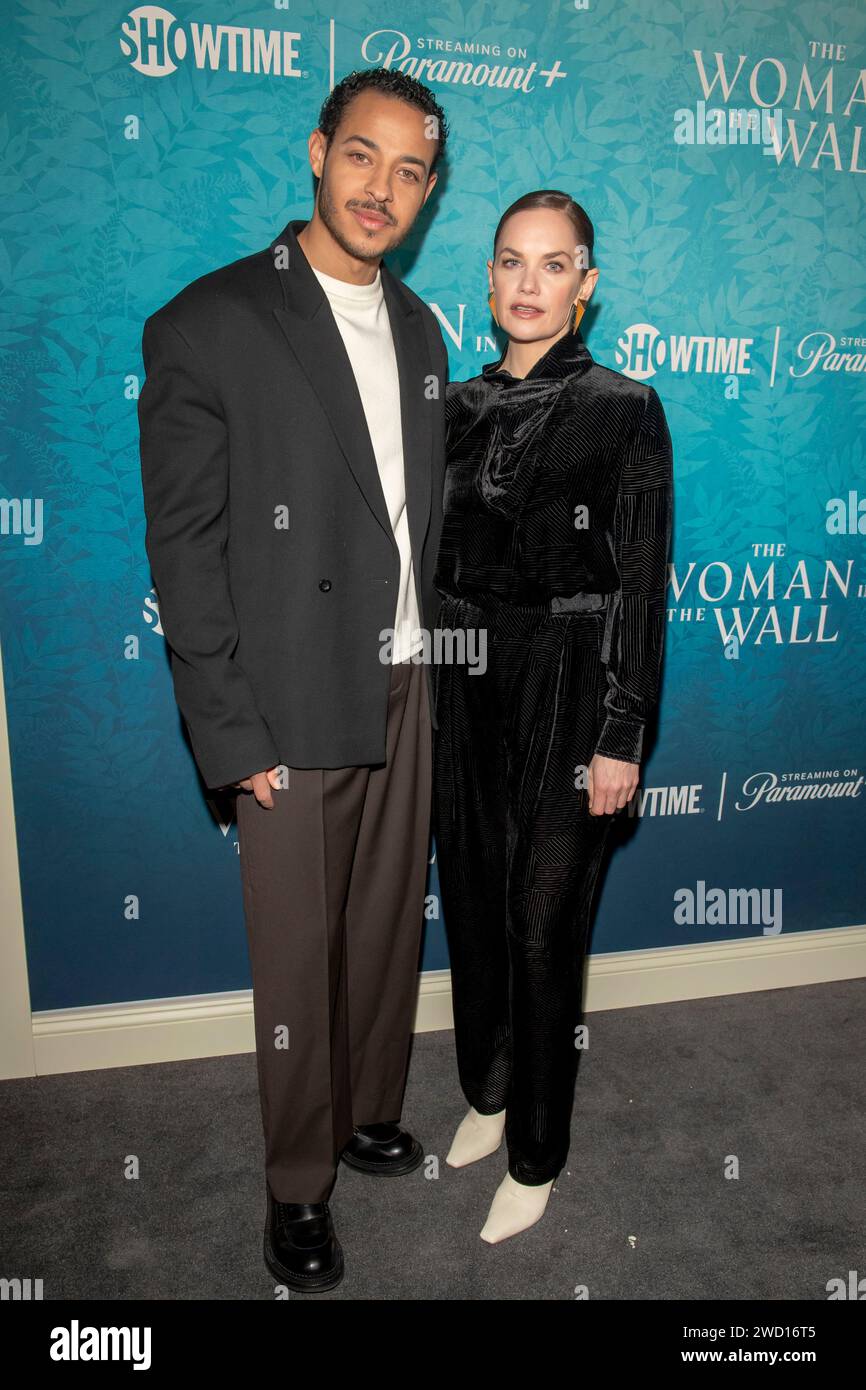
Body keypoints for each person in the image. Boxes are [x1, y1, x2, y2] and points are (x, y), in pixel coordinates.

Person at [138, 68, 450, 1292]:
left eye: (410, 170)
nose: (382, 189)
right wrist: (228, 726)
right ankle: (294, 1184)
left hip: (407, 680)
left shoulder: (422, 330)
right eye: (362, 157)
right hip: (282, 700)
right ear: (317, 153)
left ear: (427, 192)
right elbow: (186, 550)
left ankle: (369, 1109)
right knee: (298, 953)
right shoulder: (209, 322)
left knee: (380, 932)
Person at [432, 190, 674, 1243]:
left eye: (551, 264)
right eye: (508, 262)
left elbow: (639, 582)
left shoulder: (625, 406)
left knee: (541, 920)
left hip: (573, 679)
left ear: (586, 286)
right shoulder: (451, 406)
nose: (527, 284)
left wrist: (620, 729)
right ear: (485, 282)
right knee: (477, 903)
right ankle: (485, 1087)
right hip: (462, 675)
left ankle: (536, 1148)